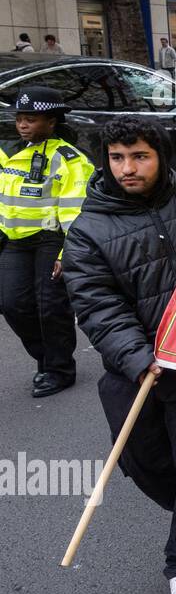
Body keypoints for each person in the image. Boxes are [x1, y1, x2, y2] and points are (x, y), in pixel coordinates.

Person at [61, 117, 176, 594]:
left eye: (139, 156)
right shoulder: (89, 229)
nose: (127, 168)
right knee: (143, 462)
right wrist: (138, 359)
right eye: (117, 158)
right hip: (132, 368)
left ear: (161, 155)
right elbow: (96, 306)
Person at [0, 87, 94, 397]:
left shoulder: (69, 160)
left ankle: (59, 370)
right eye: (20, 119)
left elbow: (76, 213)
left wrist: (67, 254)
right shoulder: (10, 153)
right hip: (14, 241)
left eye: (31, 119)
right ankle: (45, 356)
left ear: (51, 122)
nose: (23, 125)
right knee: (12, 304)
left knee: (50, 306)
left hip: (51, 239)